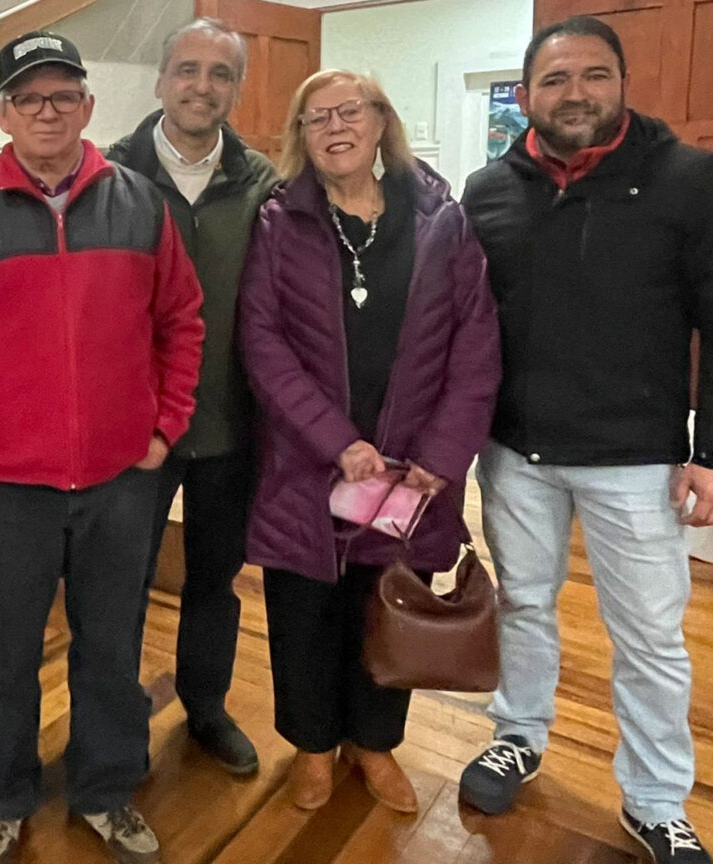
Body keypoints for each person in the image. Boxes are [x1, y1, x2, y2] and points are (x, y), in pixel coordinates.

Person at [0, 31, 205, 864]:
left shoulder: (139, 205)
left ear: (88, 105)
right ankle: (3, 794)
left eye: (63, 95)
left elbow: (181, 322)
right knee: (6, 657)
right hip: (7, 489)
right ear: (2, 112)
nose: (47, 111)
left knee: (111, 652)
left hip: (121, 481)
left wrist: (165, 427)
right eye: (28, 97)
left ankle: (105, 788)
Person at [456, 16, 713, 863]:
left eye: (594, 76)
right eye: (557, 80)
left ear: (621, 84)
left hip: (637, 460)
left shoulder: (687, 180)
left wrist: (707, 452)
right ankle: (518, 735)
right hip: (516, 453)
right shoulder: (487, 189)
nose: (577, 95)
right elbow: (462, 327)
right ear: (527, 94)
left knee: (647, 635)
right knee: (524, 605)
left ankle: (654, 798)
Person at [236, 69, 500, 816]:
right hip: (309, 467)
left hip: (412, 473)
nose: (334, 127)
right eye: (315, 118)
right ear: (300, 137)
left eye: (349, 111)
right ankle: (315, 750)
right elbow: (262, 343)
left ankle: (375, 745)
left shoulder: (442, 220)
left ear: (382, 121)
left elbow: (475, 347)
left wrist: (442, 459)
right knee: (304, 612)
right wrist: (335, 440)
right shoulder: (278, 221)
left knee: (388, 605)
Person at [105, 16, 278, 775]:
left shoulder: (266, 185)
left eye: (219, 73)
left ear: (236, 89)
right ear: (161, 81)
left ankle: (205, 707)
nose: (202, 86)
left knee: (215, 578)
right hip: (133, 428)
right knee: (122, 582)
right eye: (188, 69)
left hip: (232, 421)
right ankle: (112, 724)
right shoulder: (107, 176)